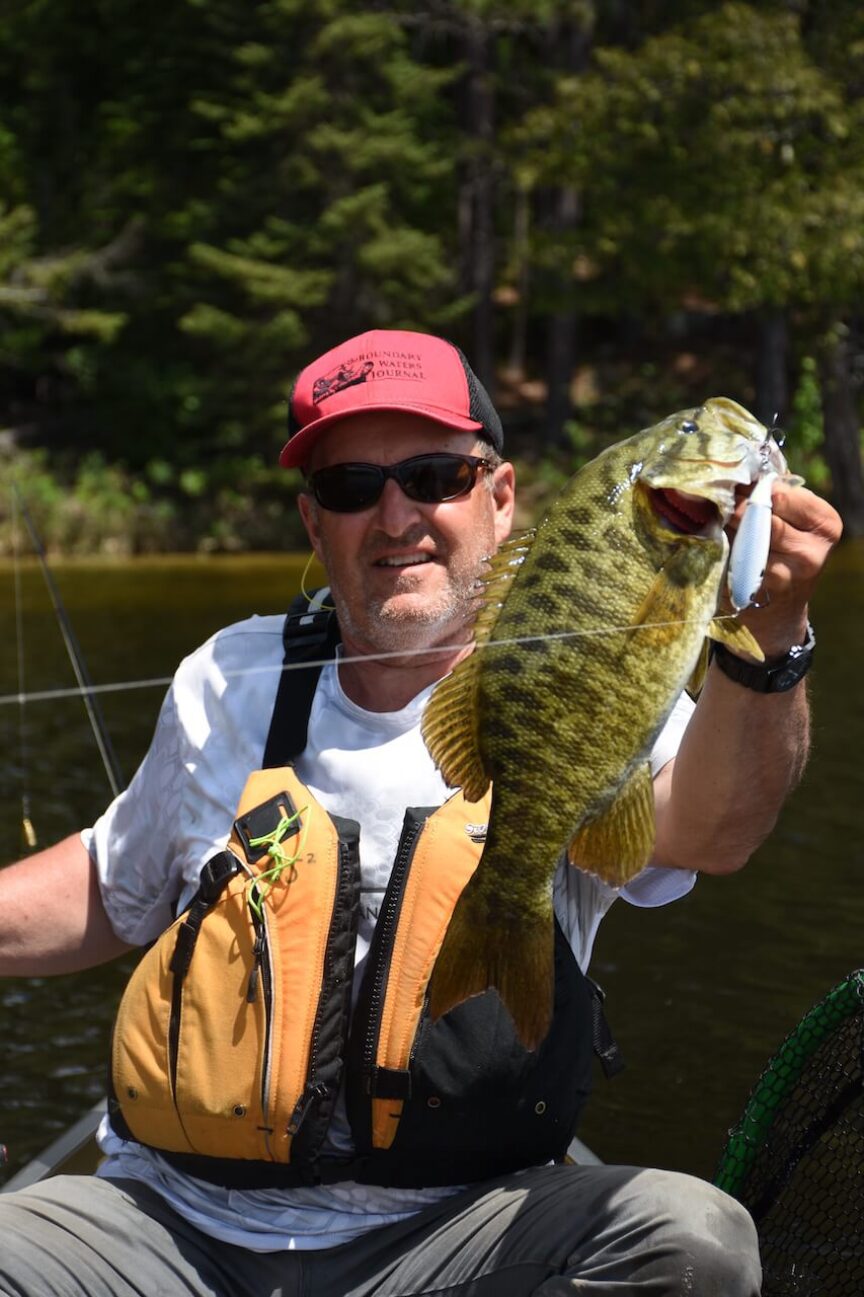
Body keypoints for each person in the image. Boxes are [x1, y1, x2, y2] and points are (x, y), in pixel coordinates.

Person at [0, 328, 842, 1296]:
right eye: (354, 488)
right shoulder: (229, 675)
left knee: (694, 1240)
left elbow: (714, 831)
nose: (395, 514)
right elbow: (114, 886)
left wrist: (773, 638)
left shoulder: (579, 665)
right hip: (172, 1224)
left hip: (458, 1233)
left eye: (434, 474)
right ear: (316, 525)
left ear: (500, 496)